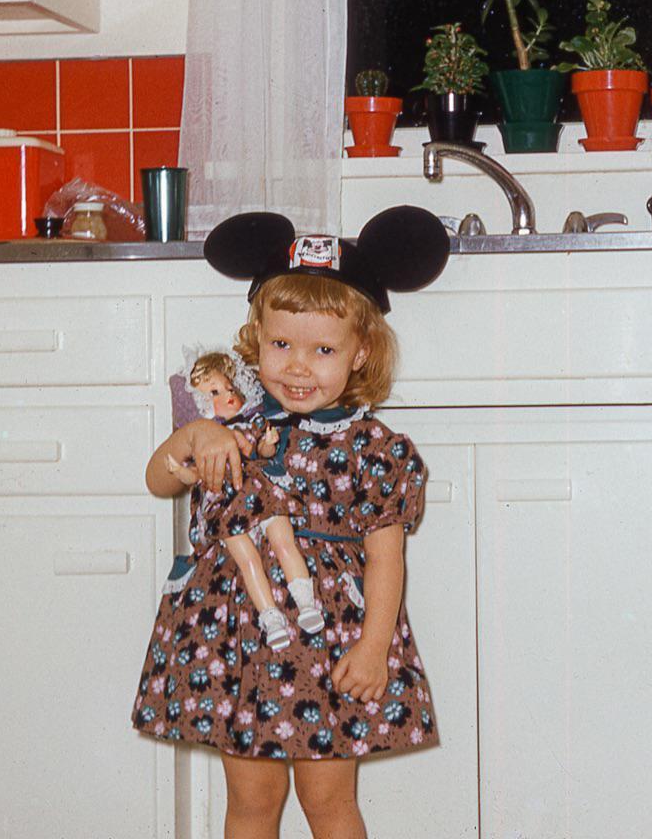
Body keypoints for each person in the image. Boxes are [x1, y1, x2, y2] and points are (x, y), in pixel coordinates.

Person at [131, 206, 449, 839]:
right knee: (250, 805)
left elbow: (387, 557)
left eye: (323, 350)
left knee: (329, 804)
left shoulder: (374, 448)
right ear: (256, 340)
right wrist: (192, 436)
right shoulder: (234, 433)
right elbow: (160, 481)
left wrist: (375, 647)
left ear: (361, 354)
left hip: (330, 646)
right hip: (239, 645)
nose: (298, 366)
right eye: (281, 345)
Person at [166, 350, 325, 650]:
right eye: (214, 392)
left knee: (283, 540)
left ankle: (306, 604)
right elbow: (195, 475)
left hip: (262, 495)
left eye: (229, 388)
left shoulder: (248, 425)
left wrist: (266, 445)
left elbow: (259, 454)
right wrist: (179, 470)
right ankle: (270, 616)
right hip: (227, 509)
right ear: (197, 406)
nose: (227, 395)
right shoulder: (206, 442)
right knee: (247, 558)